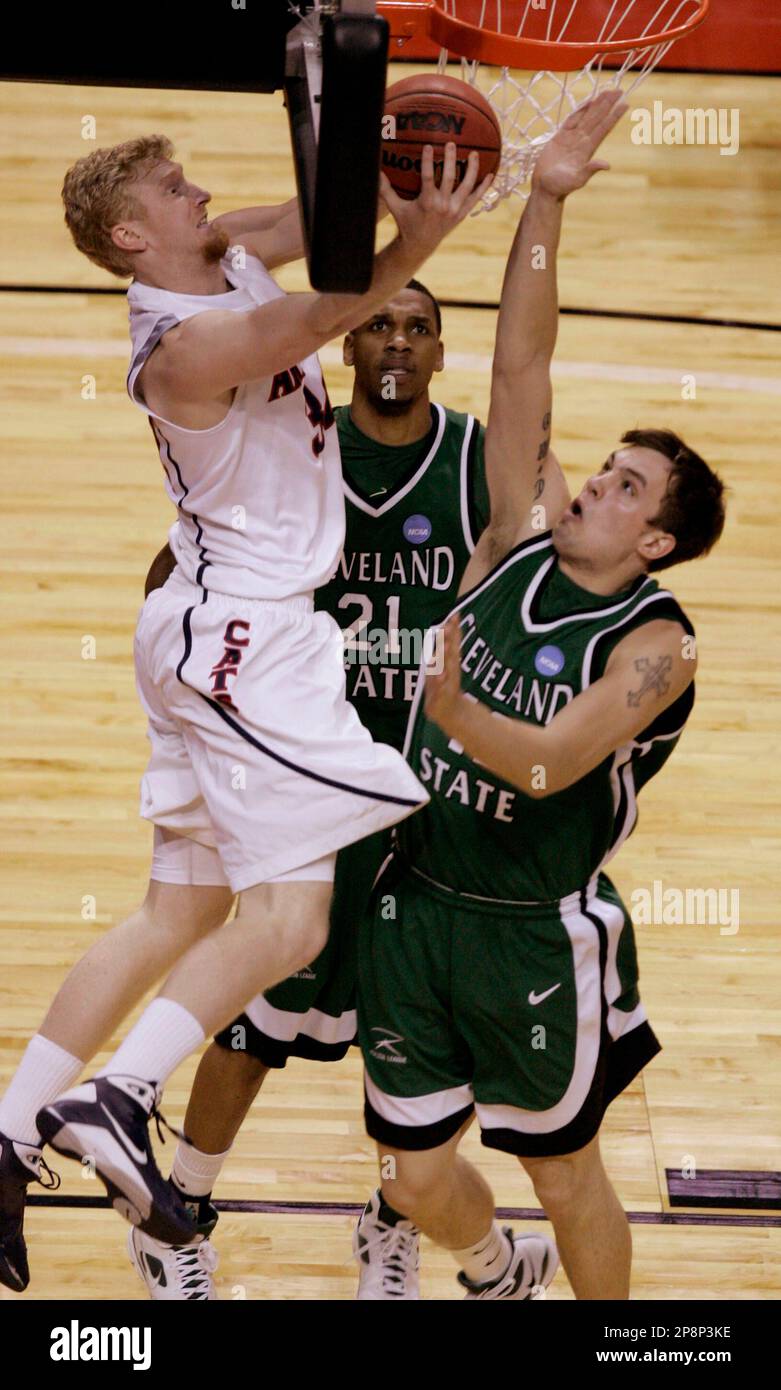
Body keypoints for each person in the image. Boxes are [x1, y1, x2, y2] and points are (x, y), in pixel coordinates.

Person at [0, 135, 492, 1293]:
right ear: (131, 235)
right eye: (174, 190)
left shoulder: (217, 256)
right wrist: (420, 242)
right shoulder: (184, 350)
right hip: (246, 642)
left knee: (181, 908)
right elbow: (323, 313)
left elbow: (300, 232)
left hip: (205, 621)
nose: (202, 193)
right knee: (291, 923)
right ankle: (116, 1095)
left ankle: (10, 1127)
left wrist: (430, 167)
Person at [355, 89, 726, 1300]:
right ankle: (485, 1265)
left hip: (533, 929)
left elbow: (545, 763)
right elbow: (523, 359)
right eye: (604, 469)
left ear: (657, 543)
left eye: (624, 489)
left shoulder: (656, 647)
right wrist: (545, 200)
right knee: (411, 1175)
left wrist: (442, 697)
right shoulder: (516, 530)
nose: (595, 487)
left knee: (566, 1179)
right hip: (418, 899)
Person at [127, 279, 564, 1300]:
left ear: (442, 351)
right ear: (346, 345)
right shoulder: (294, 449)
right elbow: (182, 565)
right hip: (302, 785)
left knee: (421, 1033)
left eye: (418, 326)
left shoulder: (473, 466)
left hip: (424, 800)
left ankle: (390, 1220)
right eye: (378, 324)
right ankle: (175, 1212)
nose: (398, 342)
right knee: (253, 1021)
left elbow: (532, 595)